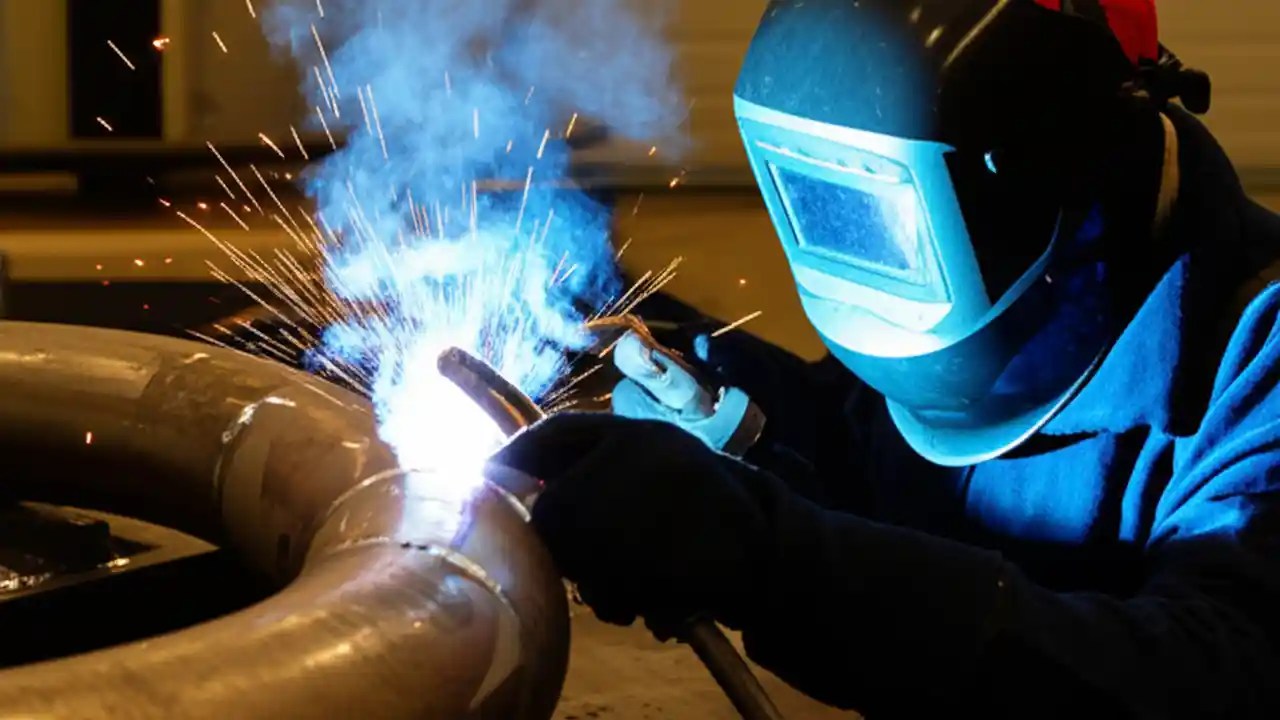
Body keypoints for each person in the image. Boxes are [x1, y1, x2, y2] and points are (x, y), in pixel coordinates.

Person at [495, 0, 1280, 717]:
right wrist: (726, 412)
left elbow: (1204, 674)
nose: (863, 258)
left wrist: (767, 559)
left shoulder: (1259, 357)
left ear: (1053, 164)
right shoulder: (983, 312)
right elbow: (874, 464)